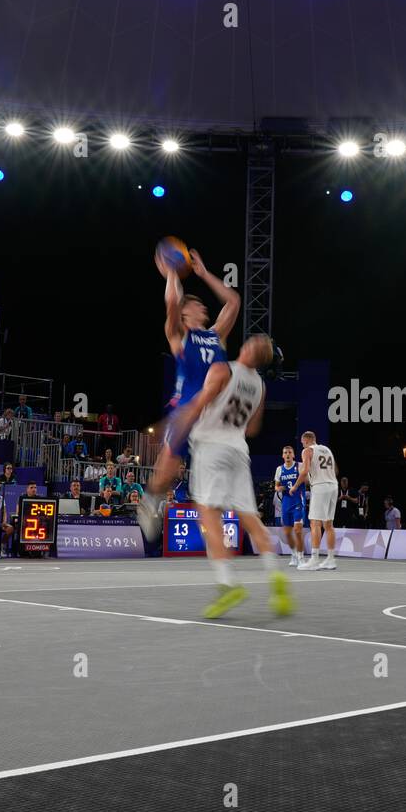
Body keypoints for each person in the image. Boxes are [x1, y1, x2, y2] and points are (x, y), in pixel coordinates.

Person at [169, 334, 292, 618]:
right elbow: (252, 429)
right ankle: (276, 577)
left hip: (211, 447)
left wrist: (175, 435)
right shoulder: (261, 386)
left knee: (209, 514)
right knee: (250, 517)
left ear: (251, 349)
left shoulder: (223, 369)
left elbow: (198, 404)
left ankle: (227, 583)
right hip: (239, 450)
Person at [139, 249, 240, 539]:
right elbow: (172, 301)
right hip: (187, 407)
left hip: (215, 412)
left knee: (218, 468)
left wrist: (204, 273)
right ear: (186, 313)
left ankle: (211, 506)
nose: (205, 310)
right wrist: (172, 271)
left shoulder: (216, 335)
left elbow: (233, 301)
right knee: (167, 469)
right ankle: (151, 500)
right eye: (198, 307)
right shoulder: (179, 335)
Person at [289, 430, 339, 571]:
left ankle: (314, 559)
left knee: (315, 523)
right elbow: (334, 470)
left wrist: (295, 486)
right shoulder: (327, 450)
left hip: (320, 487)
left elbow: (304, 471)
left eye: (302, 443)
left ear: (305, 441)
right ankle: (330, 559)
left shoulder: (307, 451)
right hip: (333, 485)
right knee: (329, 524)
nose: (302, 445)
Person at [275, 444, 307, 567]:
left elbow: (306, 480)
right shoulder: (279, 469)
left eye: (290, 452)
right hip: (286, 503)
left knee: (298, 531)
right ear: (283, 456)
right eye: (285, 453)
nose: (288, 454)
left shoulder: (299, 466)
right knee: (287, 533)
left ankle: (301, 557)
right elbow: (276, 486)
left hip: (298, 501)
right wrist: (279, 488)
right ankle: (293, 554)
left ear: (293, 455)